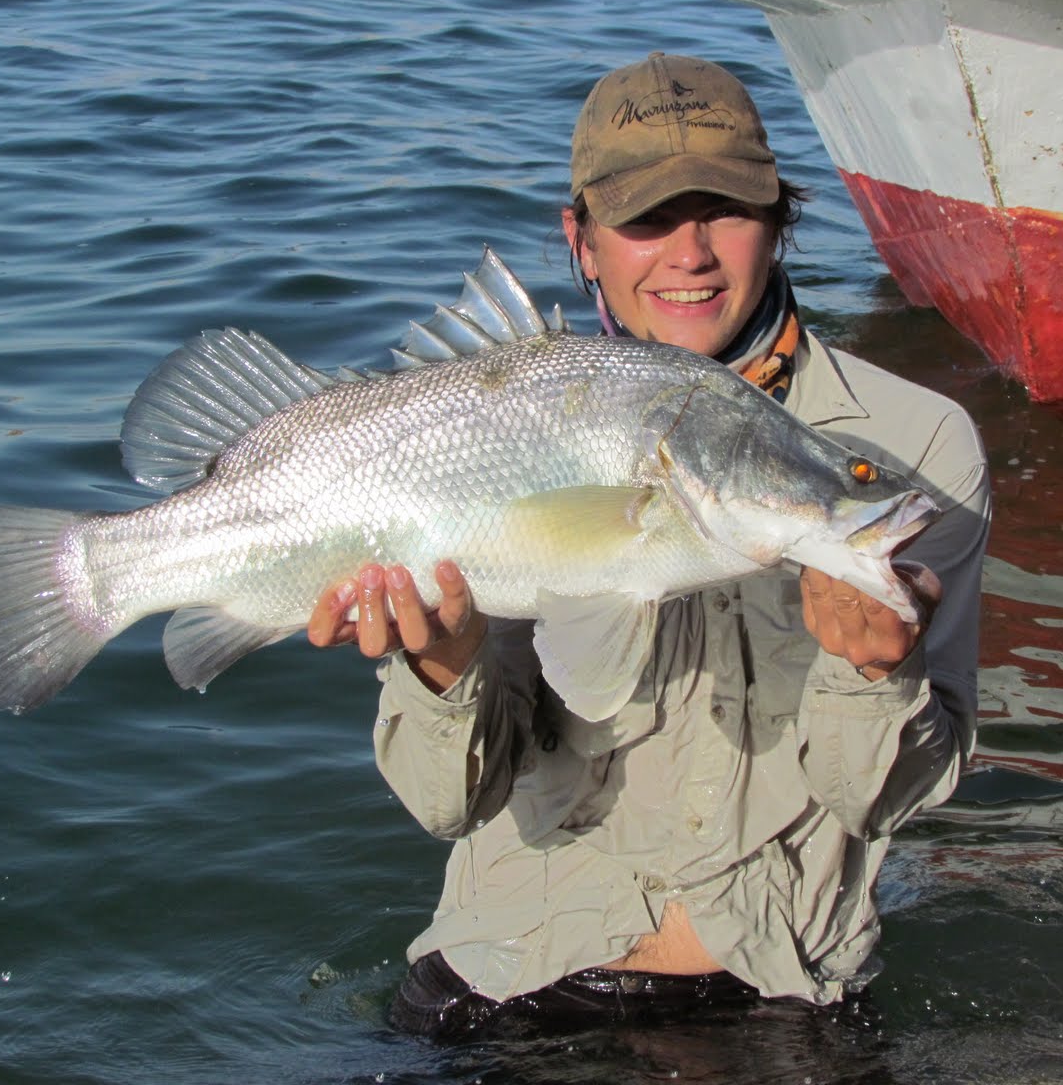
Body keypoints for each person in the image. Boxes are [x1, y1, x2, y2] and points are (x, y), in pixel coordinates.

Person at [307, 53, 991, 1040]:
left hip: (779, 993)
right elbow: (445, 805)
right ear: (579, 241)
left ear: (783, 222)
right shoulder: (479, 423)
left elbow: (878, 802)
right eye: (647, 218)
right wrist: (444, 666)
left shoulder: (907, 450)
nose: (691, 254)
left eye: (727, 210)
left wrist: (873, 674)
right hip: (508, 980)